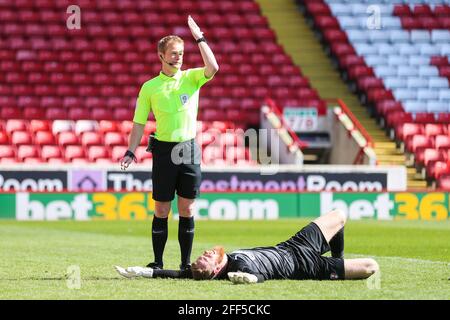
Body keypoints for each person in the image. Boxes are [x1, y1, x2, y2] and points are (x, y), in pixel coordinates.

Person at [119, 16, 219, 271]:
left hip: (188, 149)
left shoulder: (192, 78)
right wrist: (131, 150)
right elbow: (139, 123)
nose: (179, 57)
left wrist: (200, 37)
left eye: (181, 53)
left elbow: (214, 67)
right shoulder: (149, 87)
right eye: (174, 53)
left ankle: (186, 264)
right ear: (161, 56)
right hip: (163, 151)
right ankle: (158, 262)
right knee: (162, 208)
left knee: (187, 207)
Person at [115, 209, 380, 284]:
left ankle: (339, 256)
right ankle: (336, 267)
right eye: (206, 259)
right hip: (305, 266)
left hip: (292, 244)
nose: (205, 253)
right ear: (215, 270)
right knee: (371, 267)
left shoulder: (227, 259)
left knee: (340, 215)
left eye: (201, 256)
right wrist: (250, 279)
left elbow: (175, 273)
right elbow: (257, 275)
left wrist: (143, 271)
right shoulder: (237, 268)